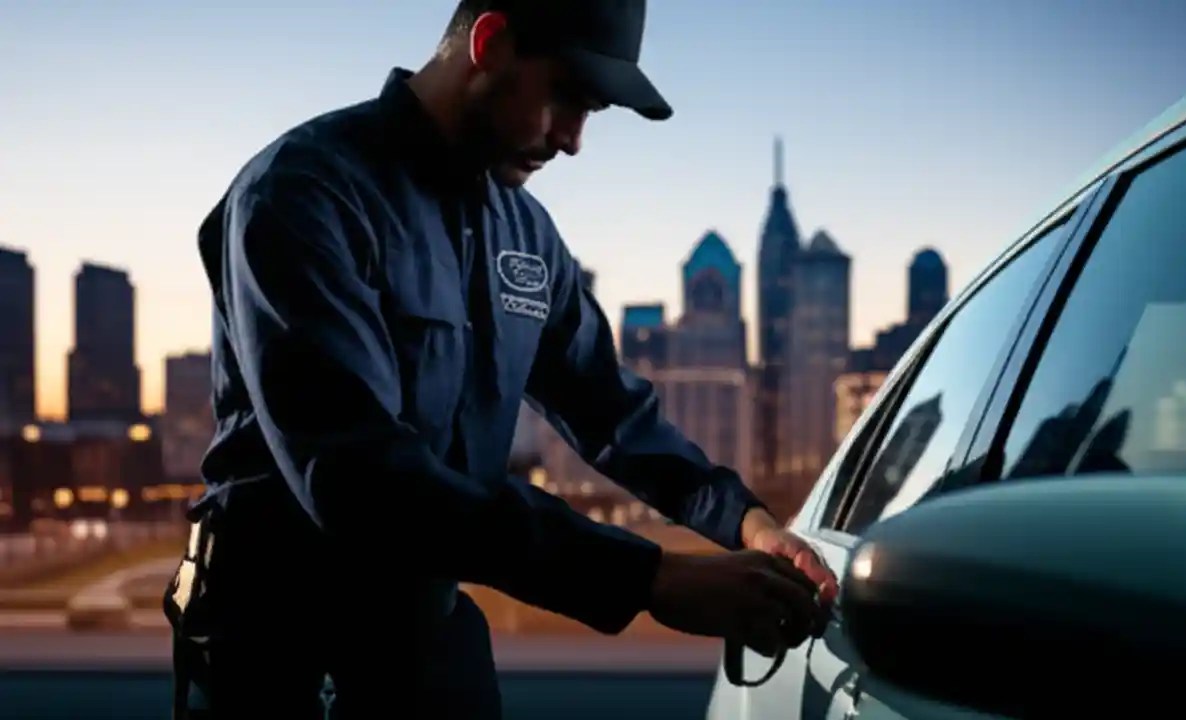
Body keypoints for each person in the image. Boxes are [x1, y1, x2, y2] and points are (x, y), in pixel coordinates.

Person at [165, 0, 839, 717]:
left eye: (593, 112)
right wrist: (651, 579)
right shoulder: (304, 194)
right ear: (488, 41)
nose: (575, 141)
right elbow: (357, 476)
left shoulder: (528, 236)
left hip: (429, 634)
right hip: (274, 646)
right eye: (566, 98)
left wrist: (747, 522)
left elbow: (613, 414)